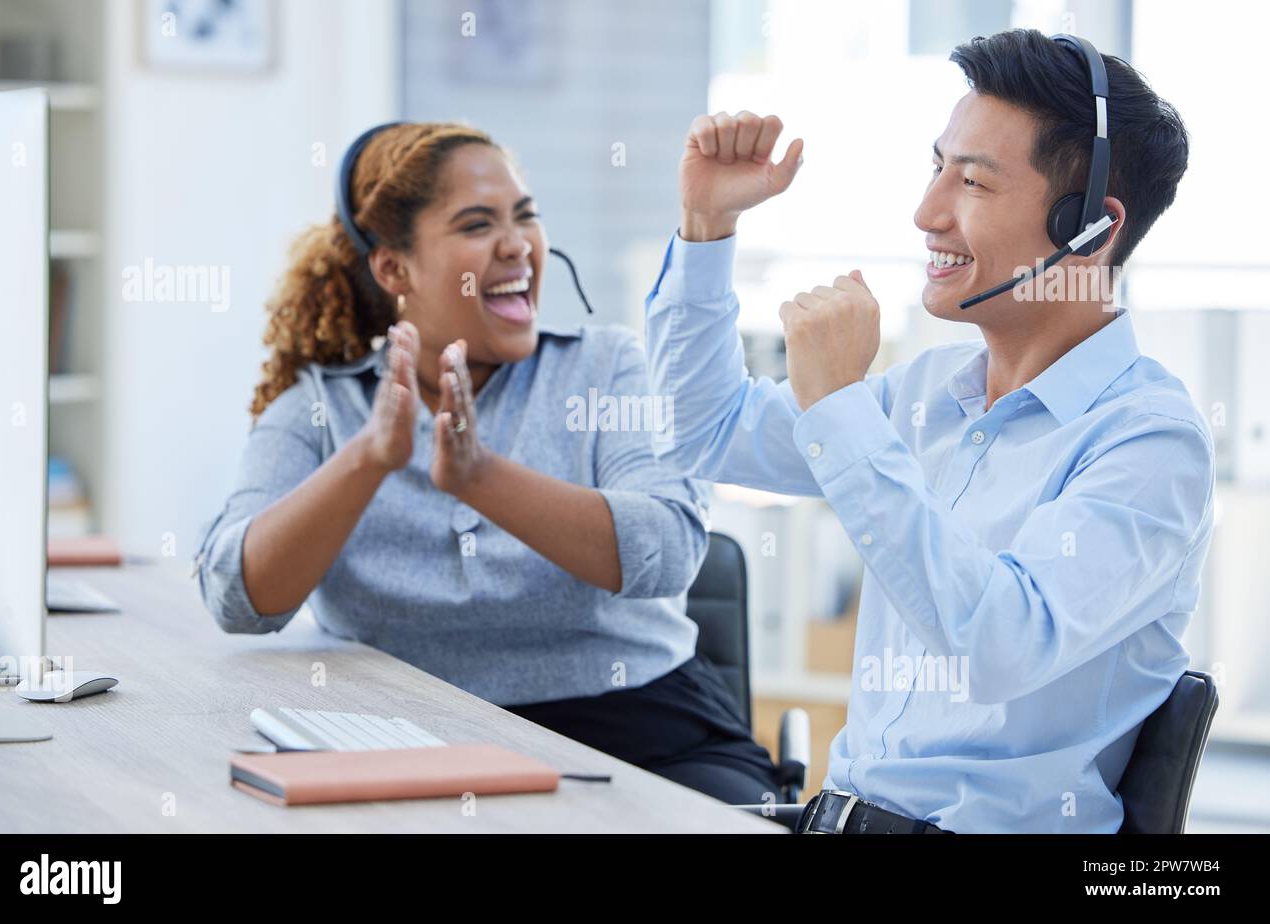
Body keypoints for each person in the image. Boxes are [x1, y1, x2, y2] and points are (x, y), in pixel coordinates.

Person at [645, 29, 1212, 832]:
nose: (927, 212)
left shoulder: (1150, 444)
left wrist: (840, 411)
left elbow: (1001, 644)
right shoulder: (923, 395)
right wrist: (706, 228)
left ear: (1089, 226)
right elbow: (699, 432)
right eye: (936, 166)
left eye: (973, 182)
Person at [193, 121, 781, 805]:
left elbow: (669, 546)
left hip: (645, 733)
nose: (516, 245)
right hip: (403, 744)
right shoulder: (319, 407)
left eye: (525, 216)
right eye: (477, 224)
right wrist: (366, 461)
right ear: (393, 268)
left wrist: (480, 478)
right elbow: (238, 600)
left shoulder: (608, 366)